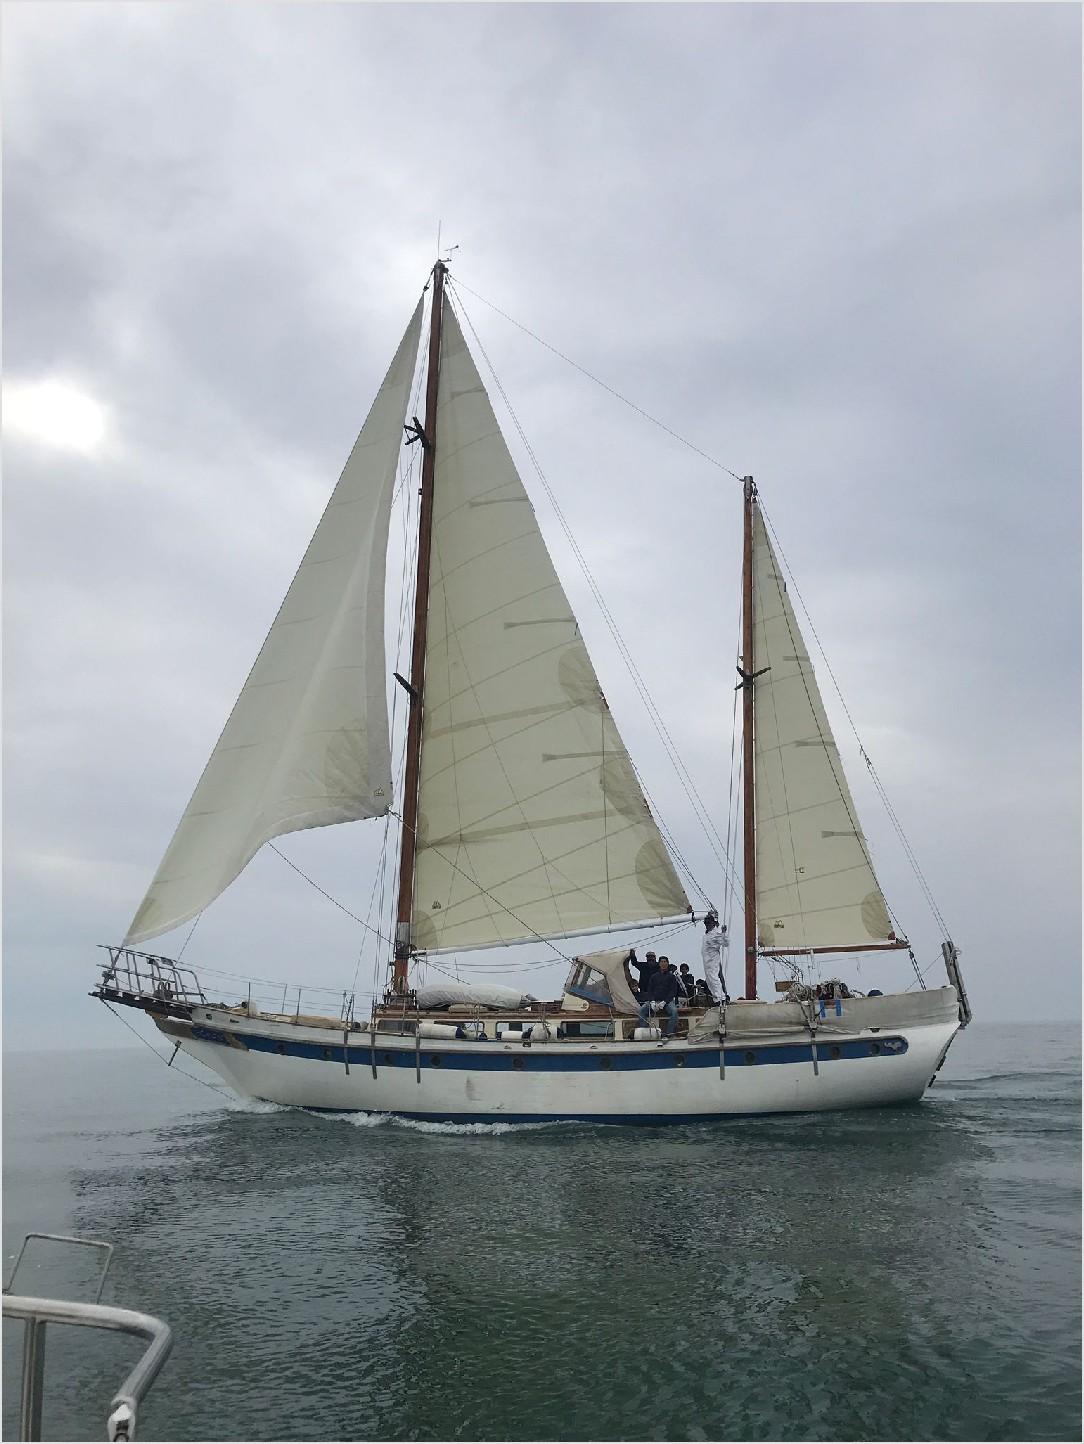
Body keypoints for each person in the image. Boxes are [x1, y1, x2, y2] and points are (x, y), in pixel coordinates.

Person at [638, 958, 680, 1037]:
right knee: (641, 1011)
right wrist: (652, 1001)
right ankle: (645, 1033)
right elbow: (650, 990)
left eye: (665, 962)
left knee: (674, 1012)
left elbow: (673, 991)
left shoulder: (671, 977)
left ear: (667, 963)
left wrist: (665, 1002)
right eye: (662, 962)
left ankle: (669, 1034)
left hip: (667, 1002)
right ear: (659, 964)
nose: (663, 963)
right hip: (654, 1001)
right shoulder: (654, 976)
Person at [701, 911, 730, 1005]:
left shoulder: (715, 933)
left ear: (713, 923)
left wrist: (724, 933)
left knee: (714, 978)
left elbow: (726, 943)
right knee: (709, 980)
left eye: (709, 923)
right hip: (706, 960)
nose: (707, 925)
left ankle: (720, 998)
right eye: (706, 923)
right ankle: (716, 998)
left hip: (713, 959)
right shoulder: (707, 935)